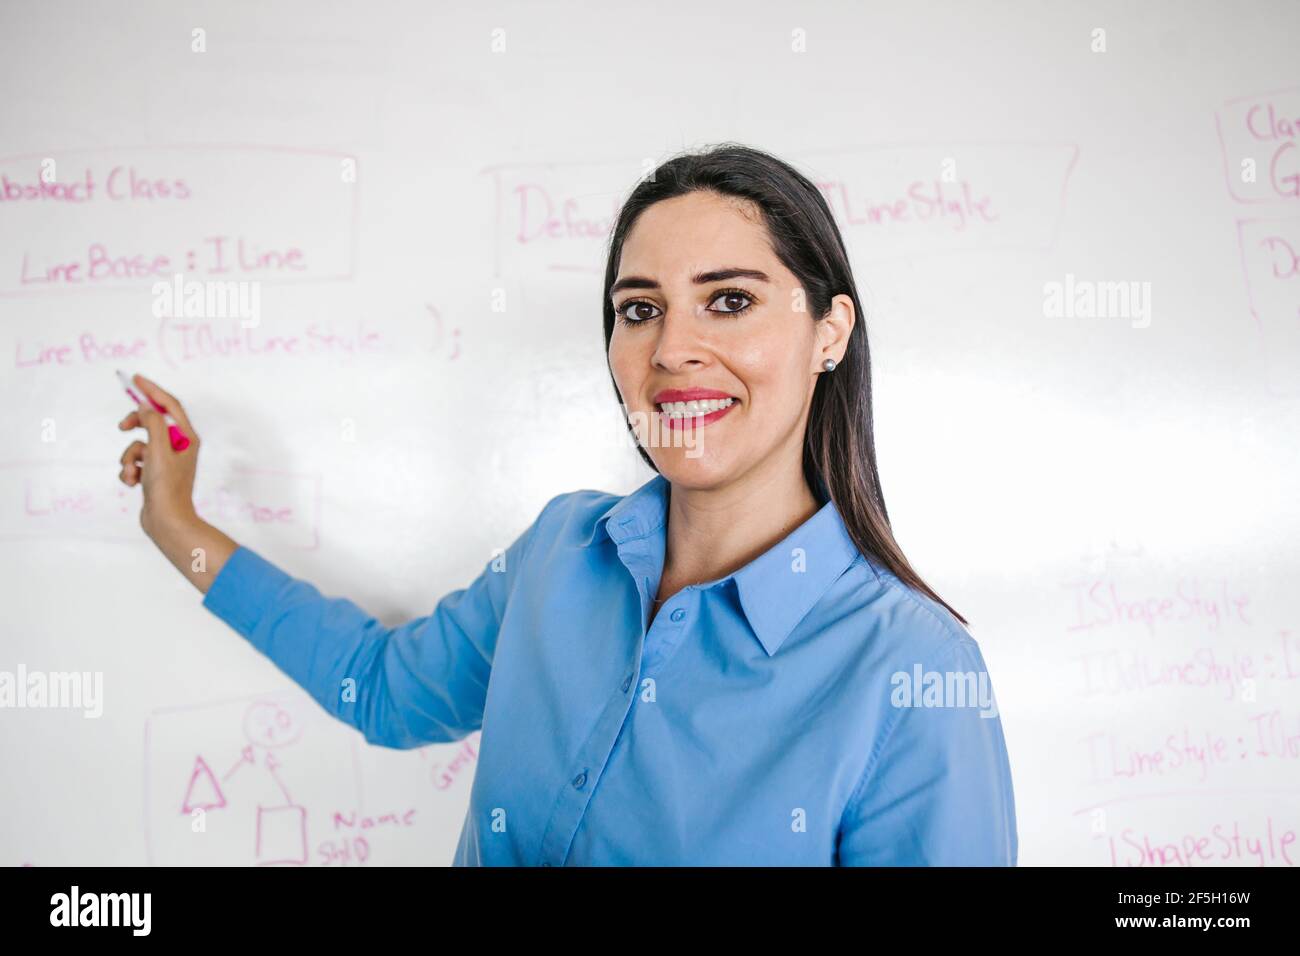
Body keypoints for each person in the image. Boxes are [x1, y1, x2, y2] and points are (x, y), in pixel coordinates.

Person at [118, 143, 1017, 866]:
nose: (673, 350)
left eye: (730, 301)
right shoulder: (560, 551)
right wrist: (178, 529)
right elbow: (386, 693)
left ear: (830, 332)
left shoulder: (912, 675)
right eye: (639, 310)